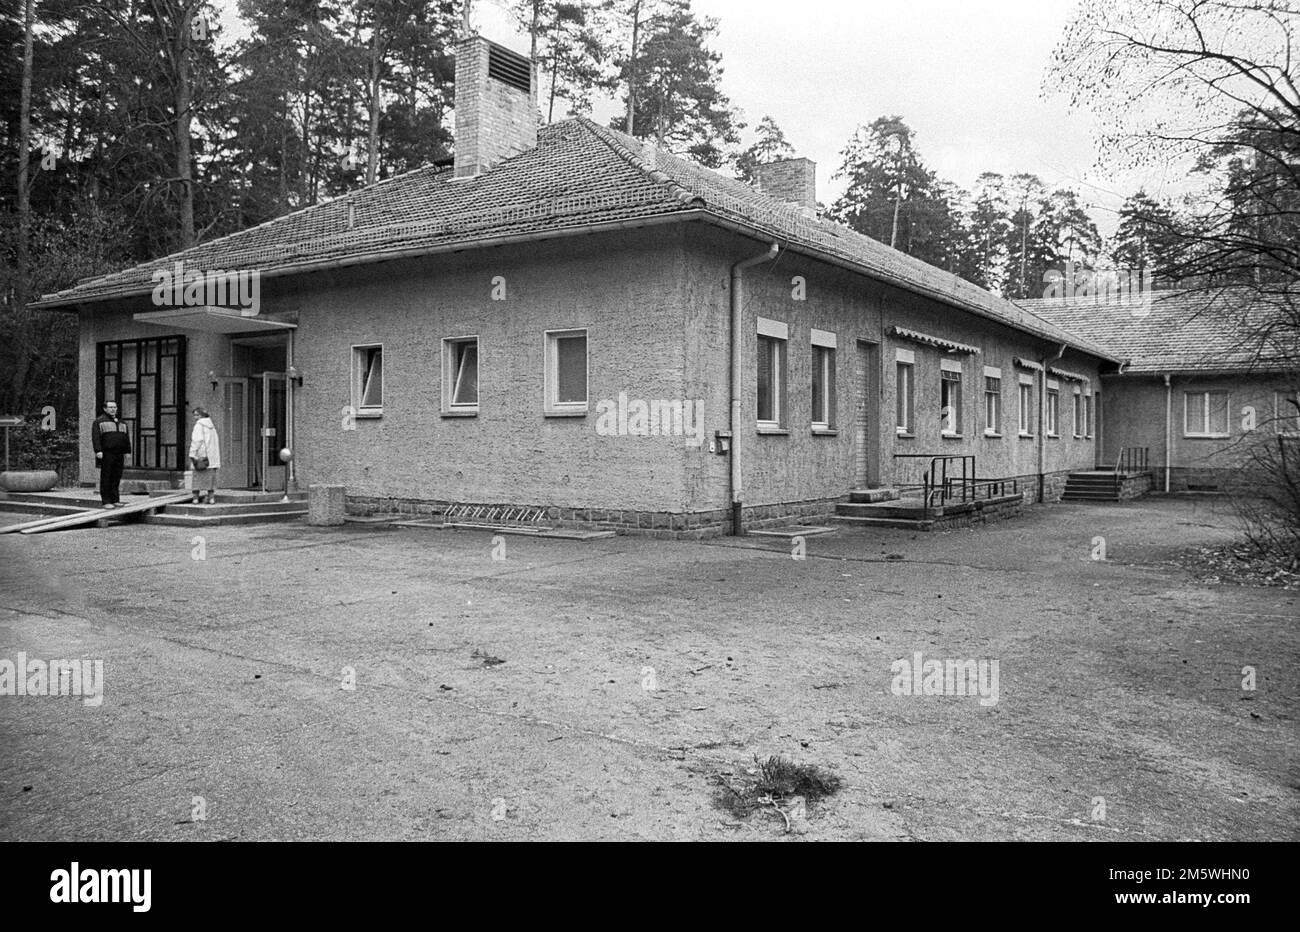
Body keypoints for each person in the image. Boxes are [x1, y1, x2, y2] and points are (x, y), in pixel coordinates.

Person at [91, 399, 131, 508]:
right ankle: (106, 501)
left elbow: (126, 438)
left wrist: (128, 451)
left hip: (119, 453)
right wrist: (98, 450)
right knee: (106, 476)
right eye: (111, 407)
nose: (113, 409)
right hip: (107, 453)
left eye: (115, 407)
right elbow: (96, 438)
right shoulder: (99, 421)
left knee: (116, 476)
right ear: (105, 409)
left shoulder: (122, 423)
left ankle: (115, 499)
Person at [188, 407, 222, 505]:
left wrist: (192, 453)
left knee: (197, 478)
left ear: (202, 415)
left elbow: (197, 441)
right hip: (211, 457)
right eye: (194, 415)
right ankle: (211, 498)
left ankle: (195, 498)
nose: (195, 417)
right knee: (210, 479)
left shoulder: (199, 425)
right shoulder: (212, 426)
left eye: (197, 415)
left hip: (201, 456)